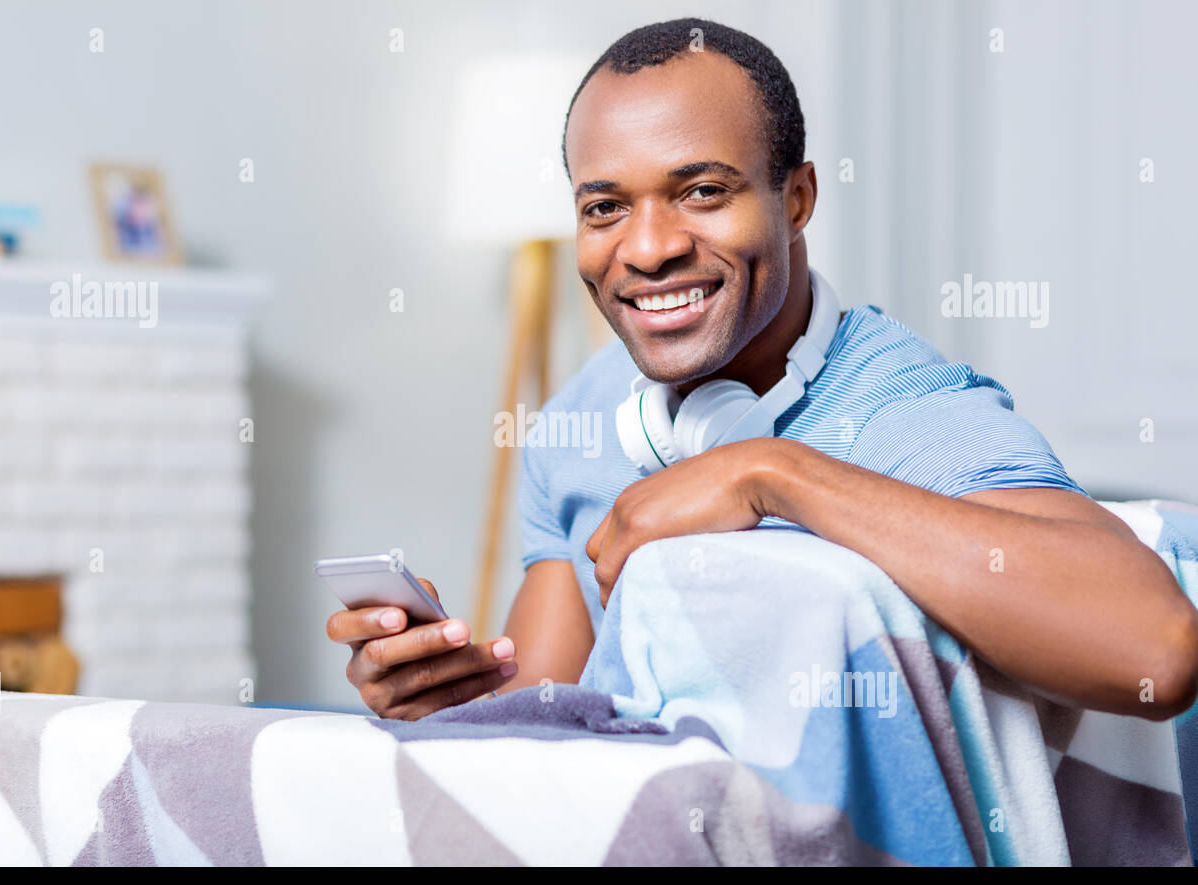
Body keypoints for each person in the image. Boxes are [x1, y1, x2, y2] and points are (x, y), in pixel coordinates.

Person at [328, 17, 1198, 722]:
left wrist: (767, 472)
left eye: (703, 191)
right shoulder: (576, 420)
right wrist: (442, 696)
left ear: (797, 197)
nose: (651, 247)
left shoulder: (906, 406)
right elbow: (554, 712)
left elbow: (1155, 650)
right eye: (605, 207)